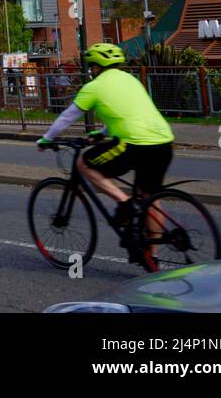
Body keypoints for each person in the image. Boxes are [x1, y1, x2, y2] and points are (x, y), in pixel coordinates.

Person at [37, 43, 175, 265]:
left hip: (133, 143)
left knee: (84, 163)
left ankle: (125, 202)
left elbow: (66, 117)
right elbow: (127, 113)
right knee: (150, 196)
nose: (91, 70)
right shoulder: (131, 80)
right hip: (163, 141)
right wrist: (102, 133)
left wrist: (46, 138)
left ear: (97, 66)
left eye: (92, 66)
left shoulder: (94, 87)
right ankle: (153, 255)